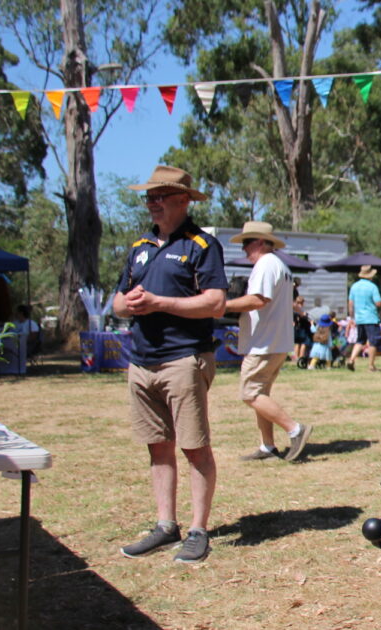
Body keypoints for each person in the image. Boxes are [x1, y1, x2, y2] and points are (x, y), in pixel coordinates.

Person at [113, 165, 227, 564]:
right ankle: (165, 526)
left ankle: (198, 529)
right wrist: (128, 303)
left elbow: (215, 302)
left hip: (184, 360)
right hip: (141, 362)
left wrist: (160, 303)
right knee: (158, 448)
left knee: (195, 447)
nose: (152, 204)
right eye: (149, 197)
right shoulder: (139, 246)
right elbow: (117, 301)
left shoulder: (202, 245)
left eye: (159, 197)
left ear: (182, 201)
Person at [224, 221, 313, 462]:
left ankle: (296, 430)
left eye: (247, 242)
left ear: (261, 242)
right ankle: (268, 446)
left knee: (250, 394)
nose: (243, 248)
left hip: (263, 342)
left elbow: (258, 300)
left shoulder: (265, 264)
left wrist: (223, 305)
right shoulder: (279, 265)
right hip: (275, 341)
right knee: (260, 393)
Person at [346, 265, 381, 372]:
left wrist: (352, 318)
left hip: (359, 318)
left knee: (360, 341)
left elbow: (350, 303)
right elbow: (378, 302)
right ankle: (371, 366)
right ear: (370, 275)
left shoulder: (354, 286)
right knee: (373, 342)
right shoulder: (372, 287)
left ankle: (351, 359)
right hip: (371, 318)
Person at [292, 295, 312, 367]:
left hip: (296, 328)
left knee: (297, 344)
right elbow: (306, 318)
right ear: (303, 302)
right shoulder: (301, 310)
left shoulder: (293, 310)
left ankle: (296, 358)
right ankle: (301, 357)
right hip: (303, 328)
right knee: (303, 343)